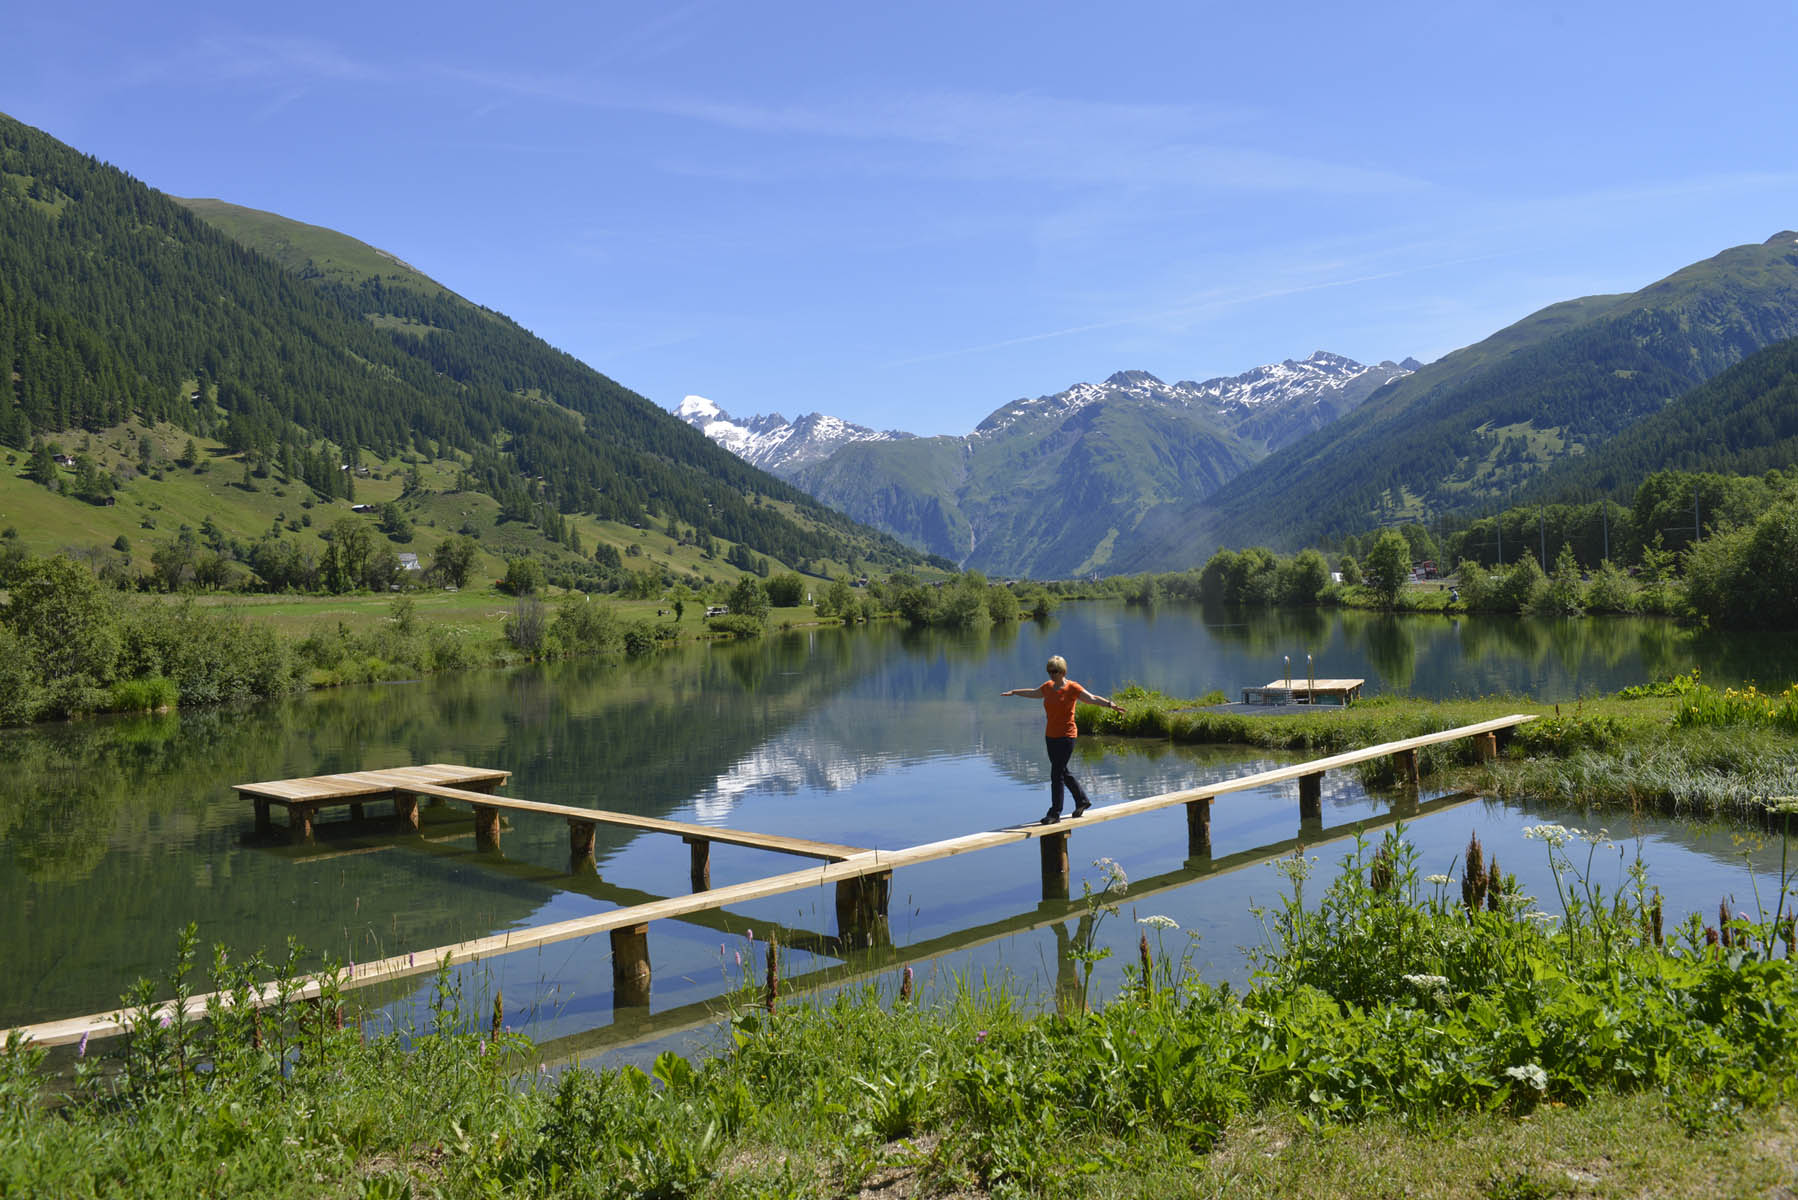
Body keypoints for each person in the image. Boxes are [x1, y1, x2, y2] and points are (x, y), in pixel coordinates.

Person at [1002, 655, 1126, 825]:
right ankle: (1082, 800)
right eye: (1049, 671)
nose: (1051, 675)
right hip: (1050, 736)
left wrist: (1111, 705)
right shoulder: (1047, 687)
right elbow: (1033, 692)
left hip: (1067, 736)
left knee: (1056, 774)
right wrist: (1015, 692)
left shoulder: (1072, 688)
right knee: (1062, 771)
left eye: (1054, 671)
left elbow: (1092, 698)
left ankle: (1055, 813)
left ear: (1063, 671)